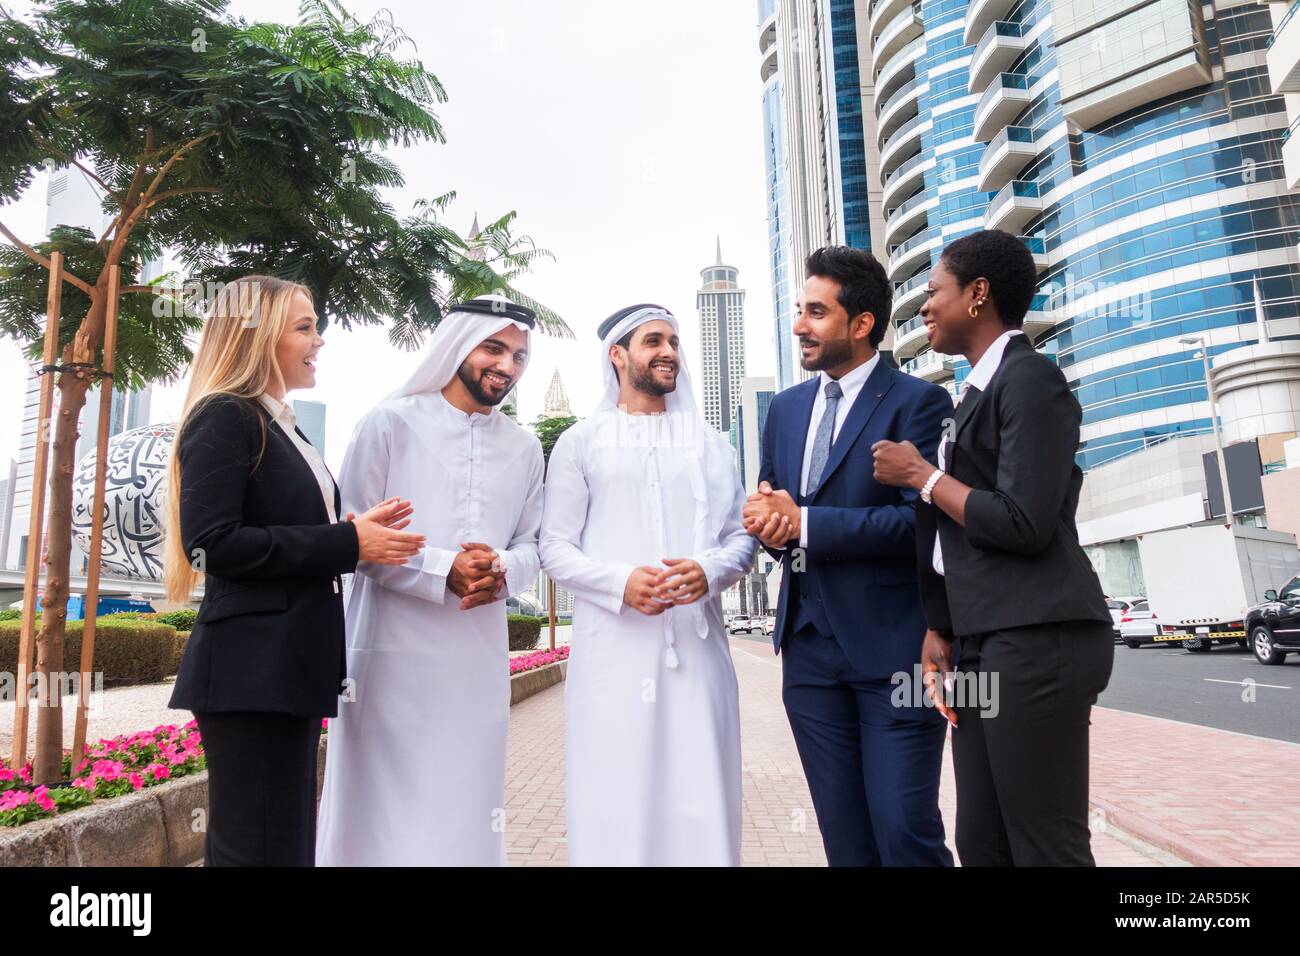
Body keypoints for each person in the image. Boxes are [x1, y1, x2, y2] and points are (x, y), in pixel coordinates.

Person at [872, 228, 1114, 866]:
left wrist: (923, 476)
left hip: (1037, 637)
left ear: (977, 294)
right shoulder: (975, 395)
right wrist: (940, 627)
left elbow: (1023, 520)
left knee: (1044, 845)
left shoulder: (1031, 379)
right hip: (982, 639)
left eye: (934, 291)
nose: (924, 306)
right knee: (983, 842)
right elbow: (953, 537)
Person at [164, 275, 425, 866]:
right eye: (305, 327)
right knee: (256, 849)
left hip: (286, 668)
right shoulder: (226, 415)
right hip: (251, 669)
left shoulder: (283, 425)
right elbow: (212, 543)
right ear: (257, 337)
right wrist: (346, 541)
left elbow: (285, 527)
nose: (319, 340)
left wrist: (353, 532)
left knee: (281, 846)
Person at [316, 295, 545, 866]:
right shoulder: (388, 423)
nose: (507, 366)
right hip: (388, 654)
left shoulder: (524, 447)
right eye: (494, 348)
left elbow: (533, 546)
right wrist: (443, 570)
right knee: (379, 803)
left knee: (466, 797)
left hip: (475, 656)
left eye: (519, 356)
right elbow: (354, 539)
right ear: (457, 346)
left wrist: (500, 570)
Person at [744, 246, 953, 867]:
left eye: (816, 312)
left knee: (904, 830)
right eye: (799, 311)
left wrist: (804, 522)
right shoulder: (784, 409)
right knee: (844, 837)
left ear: (862, 323)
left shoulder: (919, 403)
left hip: (896, 651)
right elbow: (776, 510)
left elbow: (920, 524)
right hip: (808, 654)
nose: (798, 326)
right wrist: (769, 525)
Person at [539, 303, 753, 866]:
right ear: (617, 355)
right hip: (612, 657)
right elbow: (554, 547)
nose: (669, 352)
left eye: (674, 342)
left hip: (700, 656)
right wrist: (620, 583)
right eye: (653, 341)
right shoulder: (581, 442)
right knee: (617, 798)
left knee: (704, 800)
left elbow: (740, 539)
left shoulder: (711, 444)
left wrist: (708, 572)